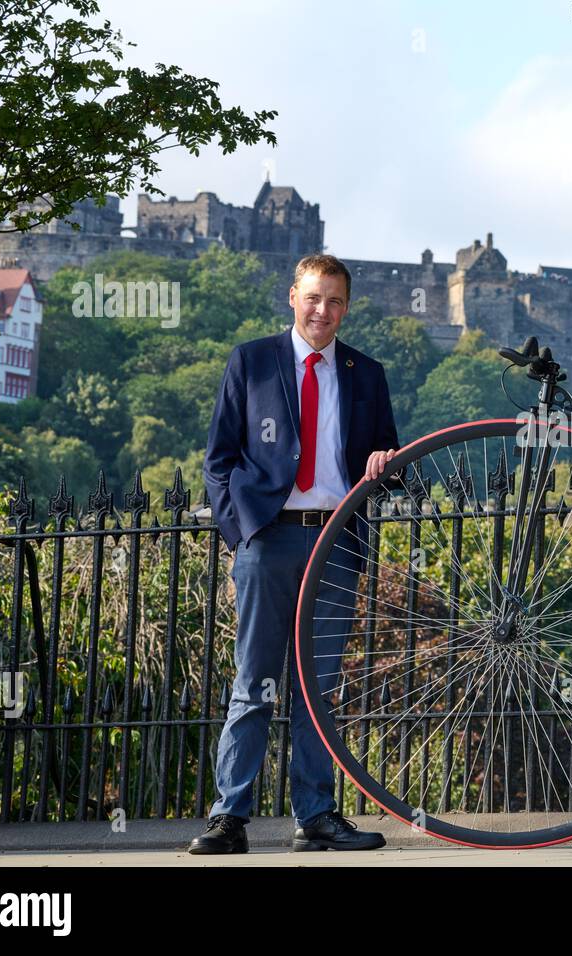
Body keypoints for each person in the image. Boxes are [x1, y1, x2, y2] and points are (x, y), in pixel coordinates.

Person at [189, 254, 398, 854]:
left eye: (334, 301)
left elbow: (386, 454)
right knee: (253, 682)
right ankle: (229, 818)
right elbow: (218, 459)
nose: (322, 312)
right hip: (268, 537)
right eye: (313, 298)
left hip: (336, 539)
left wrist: (383, 465)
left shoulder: (367, 372)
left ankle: (316, 817)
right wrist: (242, 534)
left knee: (319, 689)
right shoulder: (251, 361)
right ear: (292, 297)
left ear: (346, 307)